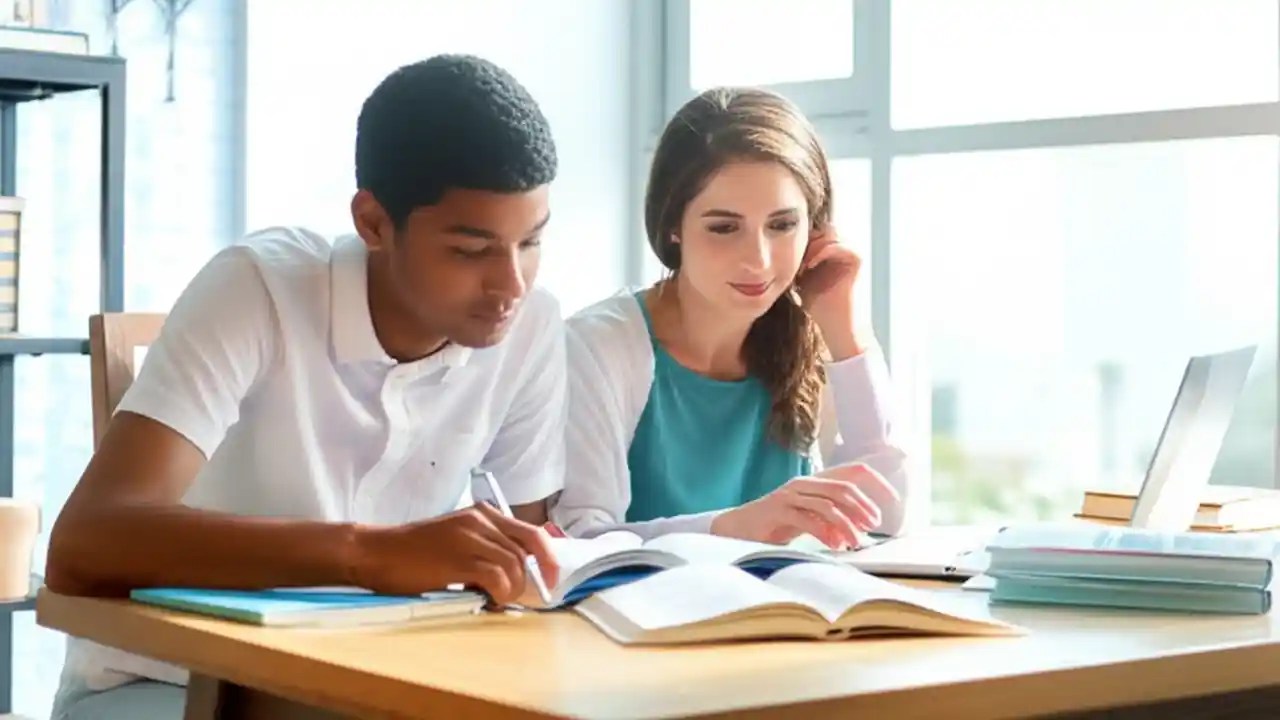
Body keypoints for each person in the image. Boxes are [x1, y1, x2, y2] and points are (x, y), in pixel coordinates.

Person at [45, 54, 565, 719]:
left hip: (368, 687)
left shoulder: (532, 325)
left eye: (532, 242)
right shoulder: (258, 287)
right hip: (165, 686)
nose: (510, 286)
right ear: (374, 223)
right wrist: (368, 554)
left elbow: (538, 568)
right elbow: (86, 544)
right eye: (470, 251)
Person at [552, 87, 909, 548]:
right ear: (672, 227)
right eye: (724, 228)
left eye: (782, 225)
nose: (758, 260)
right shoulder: (597, 347)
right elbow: (580, 541)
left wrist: (847, 332)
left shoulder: (806, 338)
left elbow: (883, 514)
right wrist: (735, 526)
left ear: (815, 226)